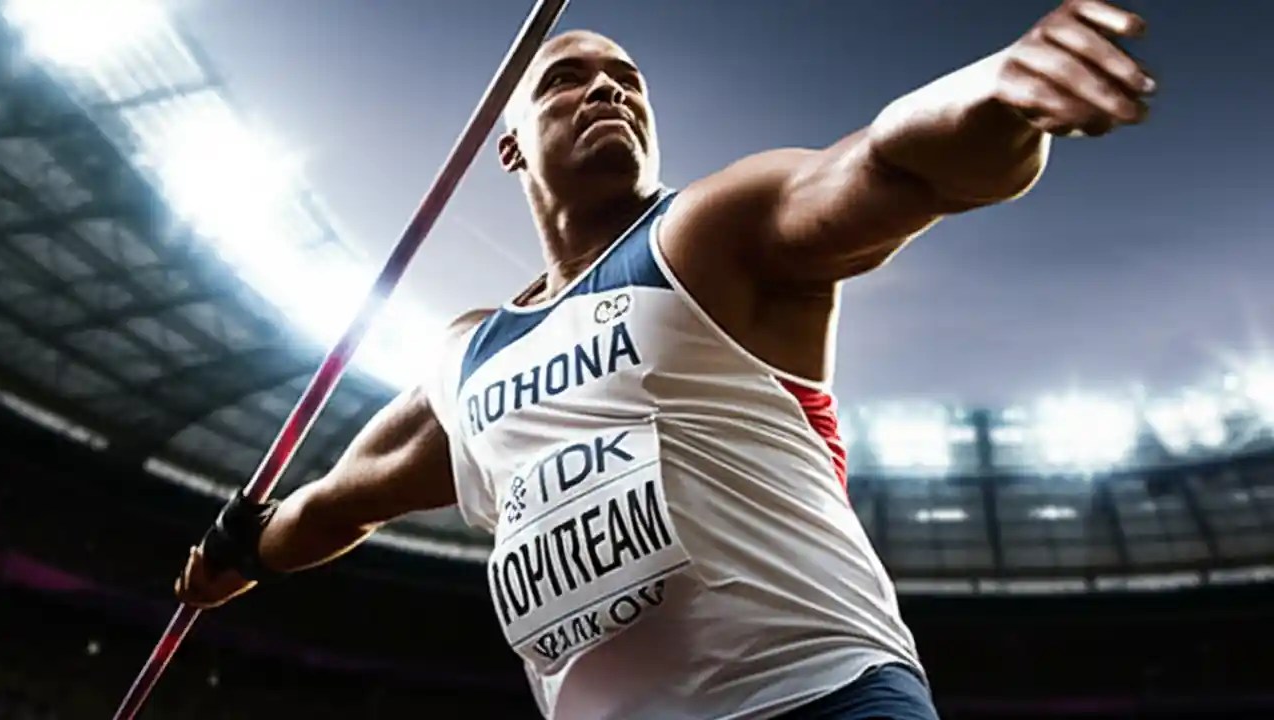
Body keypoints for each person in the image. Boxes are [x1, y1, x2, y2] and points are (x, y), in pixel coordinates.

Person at [176, 1, 1155, 717]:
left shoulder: (708, 231)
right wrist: (241, 557)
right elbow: (339, 501)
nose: (606, 87)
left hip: (817, 696)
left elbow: (890, 168)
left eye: (626, 79)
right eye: (566, 78)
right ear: (507, 145)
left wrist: (997, 96)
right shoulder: (465, 357)